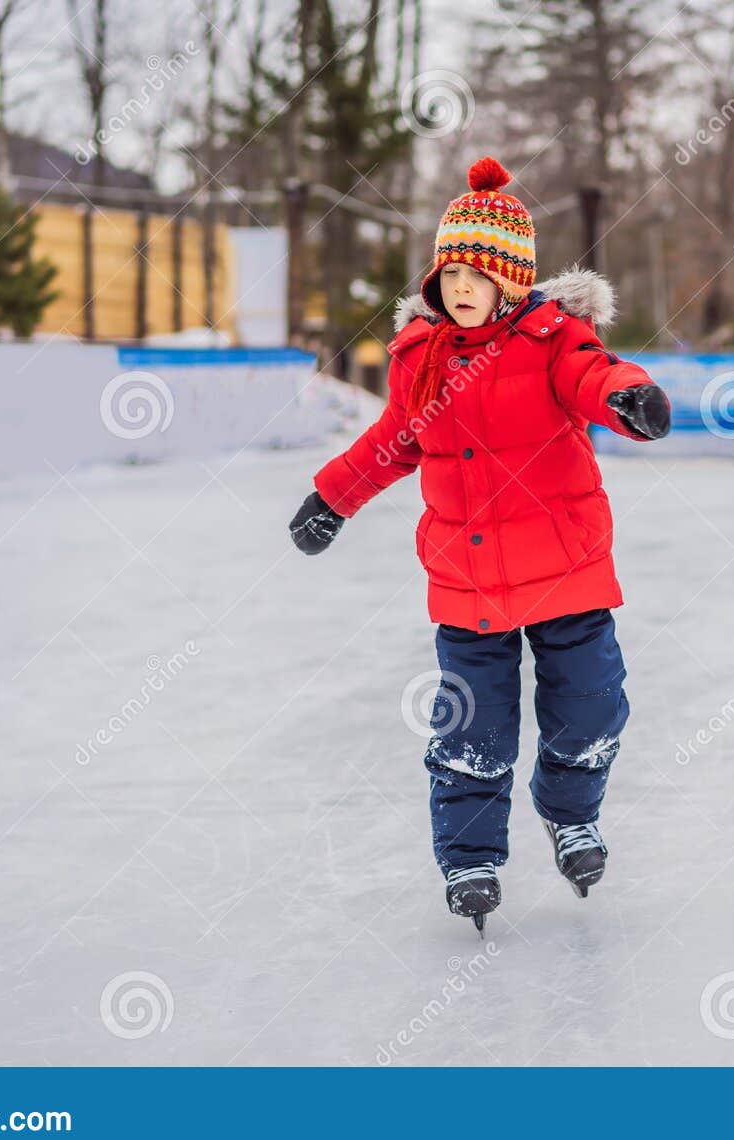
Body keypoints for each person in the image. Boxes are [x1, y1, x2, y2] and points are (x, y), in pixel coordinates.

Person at [289, 156, 671, 934]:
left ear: (513, 281)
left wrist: (628, 397)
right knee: (472, 731)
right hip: (471, 584)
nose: (460, 285)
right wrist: (332, 497)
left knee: (592, 707)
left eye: (478, 273)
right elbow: (391, 443)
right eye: (450, 271)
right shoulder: (422, 360)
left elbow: (595, 374)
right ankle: (470, 856)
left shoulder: (552, 338)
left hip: (567, 571)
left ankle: (571, 814)